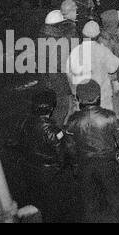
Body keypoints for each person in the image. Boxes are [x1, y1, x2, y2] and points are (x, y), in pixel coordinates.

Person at [64, 79, 119, 222]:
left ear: (79, 99)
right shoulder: (109, 116)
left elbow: (70, 147)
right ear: (98, 97)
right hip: (107, 163)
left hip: (84, 164)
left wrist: (75, 166)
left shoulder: (73, 120)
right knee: (114, 196)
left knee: (89, 200)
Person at [15, 87, 69, 221]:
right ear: (51, 109)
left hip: (31, 170)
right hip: (50, 174)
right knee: (55, 206)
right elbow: (62, 154)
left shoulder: (24, 122)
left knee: (40, 199)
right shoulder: (53, 131)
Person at [65, 19, 119, 113]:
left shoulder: (74, 51)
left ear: (82, 35)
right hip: (102, 98)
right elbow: (113, 68)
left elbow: (68, 73)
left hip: (81, 98)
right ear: (98, 36)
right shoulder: (103, 50)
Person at [97, 10, 119, 128]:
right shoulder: (107, 41)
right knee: (116, 95)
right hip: (115, 75)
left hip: (118, 72)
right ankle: (117, 119)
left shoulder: (108, 35)